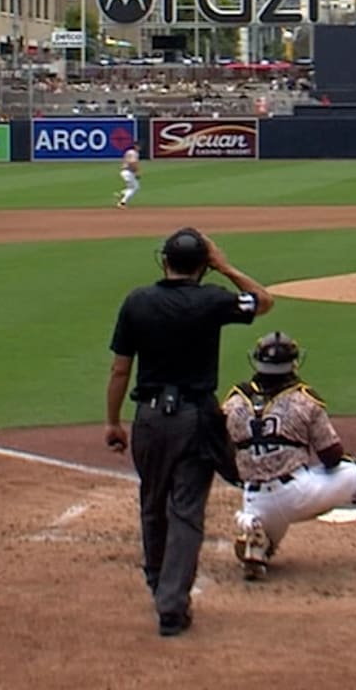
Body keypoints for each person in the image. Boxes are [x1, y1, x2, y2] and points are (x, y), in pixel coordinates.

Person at [103, 228, 275, 637]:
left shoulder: (137, 301)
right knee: (186, 510)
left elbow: (120, 370)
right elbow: (264, 301)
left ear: (164, 260)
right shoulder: (213, 299)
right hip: (195, 419)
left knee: (152, 504)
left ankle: (157, 583)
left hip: (148, 418)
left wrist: (112, 421)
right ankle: (172, 603)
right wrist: (225, 266)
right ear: (203, 263)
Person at [221, 331, 356, 582]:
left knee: (266, 521)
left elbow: (220, 450)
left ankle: (257, 547)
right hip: (300, 494)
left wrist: (243, 475)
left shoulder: (233, 401)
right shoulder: (304, 400)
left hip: (255, 499)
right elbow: (332, 456)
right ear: (294, 363)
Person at [116, 142, 142, 208]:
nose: (140, 147)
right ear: (135, 146)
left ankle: (122, 193)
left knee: (133, 187)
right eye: (138, 146)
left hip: (125, 172)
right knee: (134, 187)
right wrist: (137, 172)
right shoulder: (134, 153)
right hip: (128, 172)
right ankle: (122, 202)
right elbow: (132, 163)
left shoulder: (129, 151)